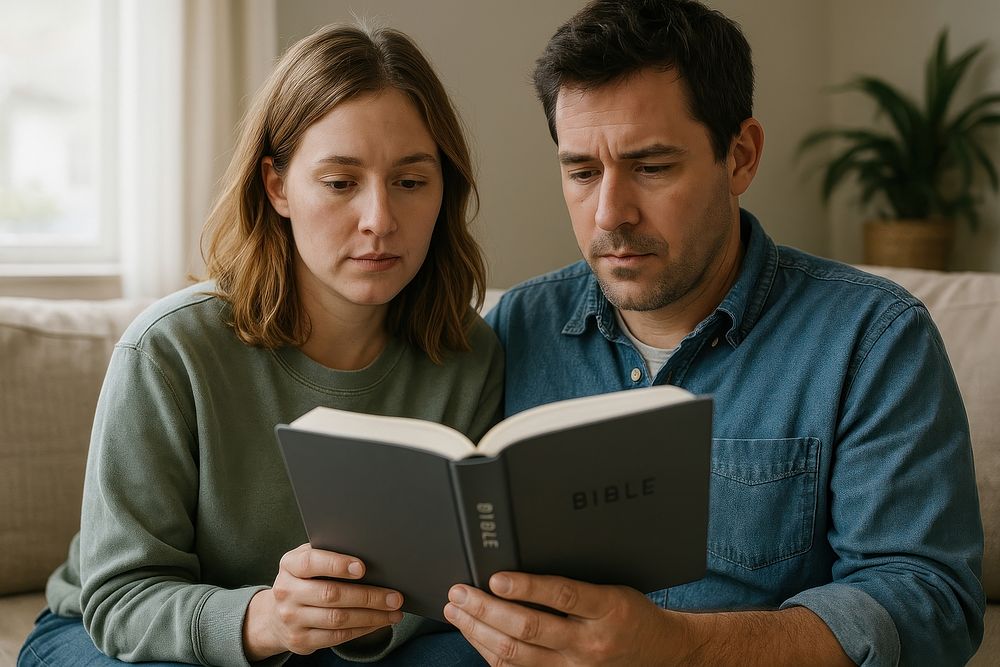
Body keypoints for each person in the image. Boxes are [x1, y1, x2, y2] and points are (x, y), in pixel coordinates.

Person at [443, 1, 985, 665]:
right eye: (582, 171)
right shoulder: (513, 330)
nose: (610, 212)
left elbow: (928, 601)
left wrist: (679, 647)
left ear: (741, 156)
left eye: (651, 166)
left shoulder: (873, 338)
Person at [19, 23, 498, 667]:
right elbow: (120, 599)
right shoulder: (169, 351)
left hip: (357, 646)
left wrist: (354, 622)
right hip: (129, 638)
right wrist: (265, 620)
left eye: (411, 182)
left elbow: (455, 581)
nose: (379, 219)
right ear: (277, 186)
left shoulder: (469, 355)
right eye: (339, 182)